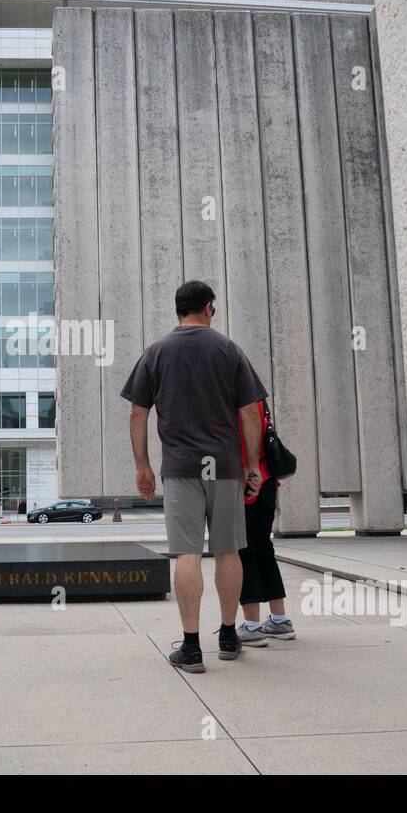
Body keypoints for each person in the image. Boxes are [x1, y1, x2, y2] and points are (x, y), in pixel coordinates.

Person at [121, 280, 267, 673]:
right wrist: (252, 463)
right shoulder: (228, 350)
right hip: (223, 465)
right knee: (227, 549)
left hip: (182, 466)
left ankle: (191, 647)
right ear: (207, 306)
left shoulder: (156, 352)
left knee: (186, 552)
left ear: (178, 309)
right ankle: (228, 634)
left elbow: (138, 413)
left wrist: (142, 465)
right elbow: (251, 412)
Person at [234, 397, 296, 646]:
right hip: (268, 480)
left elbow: (239, 443)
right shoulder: (259, 398)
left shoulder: (239, 400)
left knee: (244, 550)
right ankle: (280, 619)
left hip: (247, 481)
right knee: (264, 549)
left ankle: (252, 625)